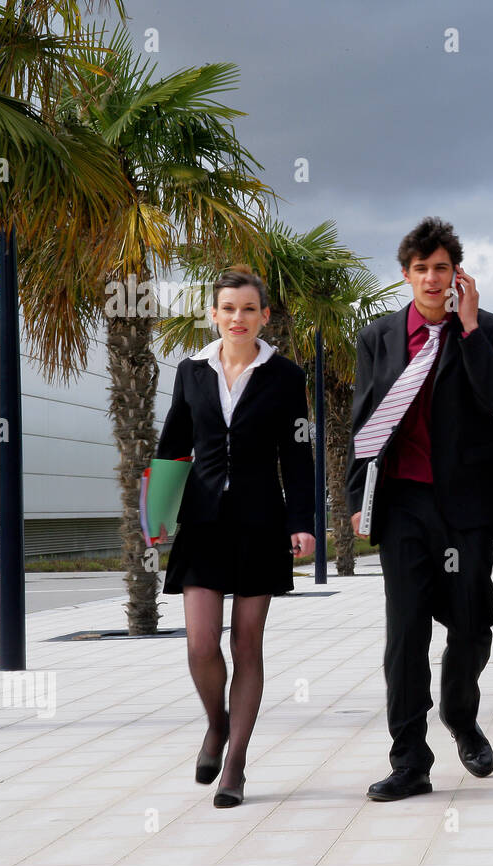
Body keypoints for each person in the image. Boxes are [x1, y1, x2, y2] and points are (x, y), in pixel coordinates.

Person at [347, 217, 493, 802]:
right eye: (420, 269)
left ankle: (460, 715)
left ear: (456, 274)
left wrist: (467, 328)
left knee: (472, 624)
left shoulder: (489, 329)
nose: (430, 277)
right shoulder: (379, 338)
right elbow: (364, 419)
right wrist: (353, 498)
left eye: (441, 267)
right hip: (402, 502)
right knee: (405, 633)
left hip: (466, 504)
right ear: (406, 275)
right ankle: (409, 760)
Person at [156, 265, 317, 809]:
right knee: (201, 643)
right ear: (214, 314)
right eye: (228, 308)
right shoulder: (192, 371)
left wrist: (302, 522)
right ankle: (216, 723)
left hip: (260, 520)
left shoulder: (286, 376)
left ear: (264, 315)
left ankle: (236, 763)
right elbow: (175, 443)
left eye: (249, 309)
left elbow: (298, 452)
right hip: (201, 521)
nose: (238, 318)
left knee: (246, 642)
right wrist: (157, 513)